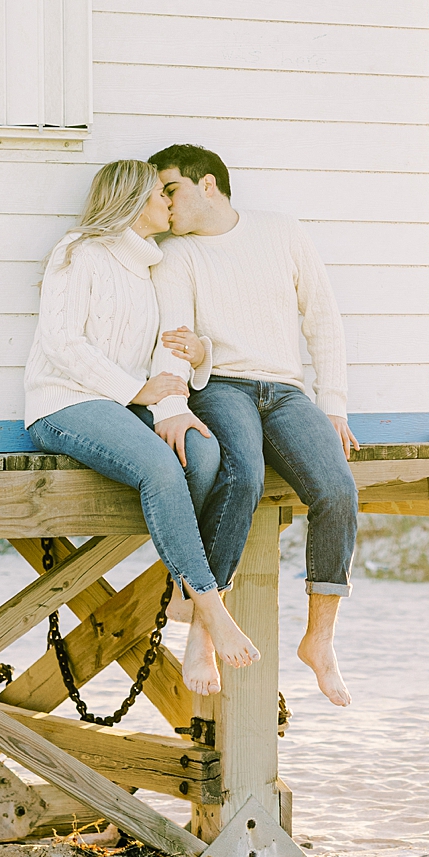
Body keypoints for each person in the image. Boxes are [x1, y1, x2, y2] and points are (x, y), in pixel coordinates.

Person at [23, 158, 259, 696]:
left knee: (200, 453)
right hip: (65, 404)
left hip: (124, 407)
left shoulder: (153, 265)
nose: (168, 201)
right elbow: (62, 341)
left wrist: (187, 377)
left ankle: (184, 586)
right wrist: (137, 393)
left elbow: (167, 348)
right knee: (159, 466)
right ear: (130, 200)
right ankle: (209, 603)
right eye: (159, 193)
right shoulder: (78, 250)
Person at [147, 144, 359, 708]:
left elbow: (323, 319)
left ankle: (320, 639)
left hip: (287, 391)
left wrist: (333, 405)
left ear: (208, 184)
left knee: (338, 490)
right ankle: (204, 629)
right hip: (221, 386)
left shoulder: (281, 232)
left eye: (171, 189)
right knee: (241, 476)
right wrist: (176, 400)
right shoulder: (174, 255)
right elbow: (175, 337)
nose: (164, 203)